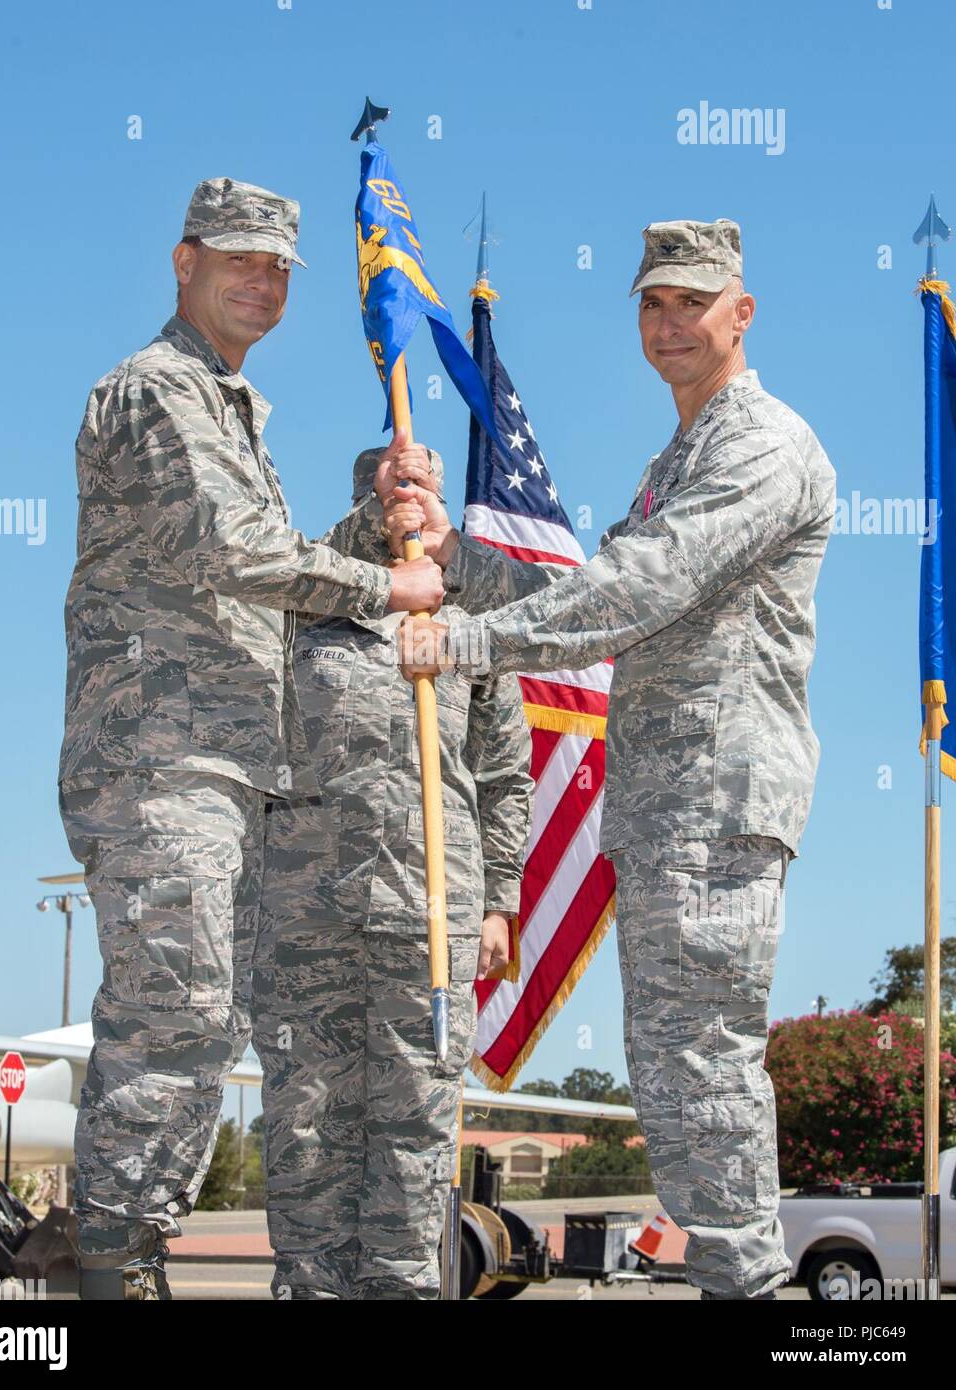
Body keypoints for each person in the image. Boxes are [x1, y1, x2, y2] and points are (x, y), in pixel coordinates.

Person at [389, 219, 836, 1300]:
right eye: (651, 303)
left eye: (691, 301)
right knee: (675, 1078)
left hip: (715, 802)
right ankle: (741, 1285)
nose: (668, 322)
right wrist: (456, 557)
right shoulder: (677, 458)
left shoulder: (763, 443)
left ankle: (759, 1298)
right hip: (666, 812)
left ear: (741, 312)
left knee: (704, 1070)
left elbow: (638, 590)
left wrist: (460, 638)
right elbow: (587, 594)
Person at [58, 176, 443, 1299]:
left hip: (228, 763)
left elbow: (266, 565)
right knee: (174, 1009)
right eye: (239, 259)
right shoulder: (156, 392)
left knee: (204, 1011)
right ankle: (106, 1263)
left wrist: (376, 520)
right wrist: (391, 577)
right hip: (159, 752)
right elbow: (238, 549)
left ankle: (118, 1247)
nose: (261, 280)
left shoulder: (228, 405)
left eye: (278, 266)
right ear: (183, 262)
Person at [253, 446, 534, 1299]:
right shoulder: (302, 600)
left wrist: (501, 901)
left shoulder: (465, 622)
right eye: (391, 485)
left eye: (422, 487)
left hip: (430, 910)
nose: (407, 498)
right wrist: (372, 518)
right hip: (308, 911)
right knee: (306, 1126)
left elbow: (505, 773)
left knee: (415, 1127)